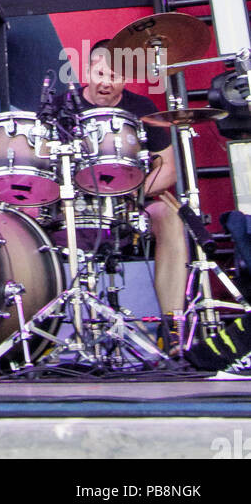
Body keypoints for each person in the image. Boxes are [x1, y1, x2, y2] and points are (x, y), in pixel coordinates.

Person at [77, 38, 187, 325]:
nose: (106, 83)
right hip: (75, 206)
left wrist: (134, 194)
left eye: (115, 77)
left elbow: (169, 169)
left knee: (171, 216)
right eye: (101, 74)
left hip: (132, 205)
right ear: (87, 72)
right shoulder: (65, 107)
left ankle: (173, 324)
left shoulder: (143, 107)